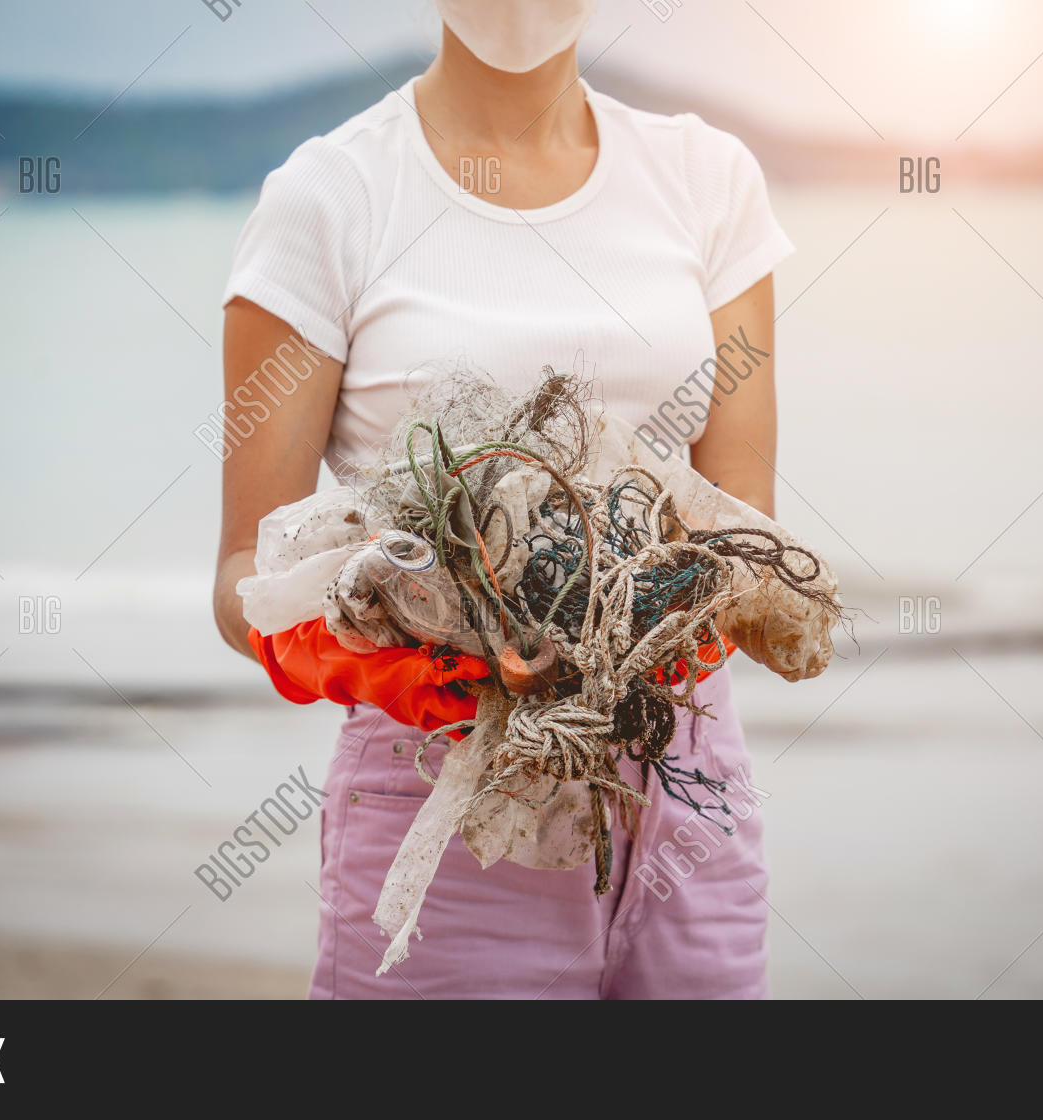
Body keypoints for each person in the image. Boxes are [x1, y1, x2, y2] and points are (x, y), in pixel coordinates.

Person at [214, 0, 792, 999]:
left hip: (689, 801)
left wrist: (658, 628)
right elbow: (243, 579)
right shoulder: (329, 198)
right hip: (442, 801)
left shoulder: (709, 182)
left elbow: (743, 526)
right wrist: (407, 666)